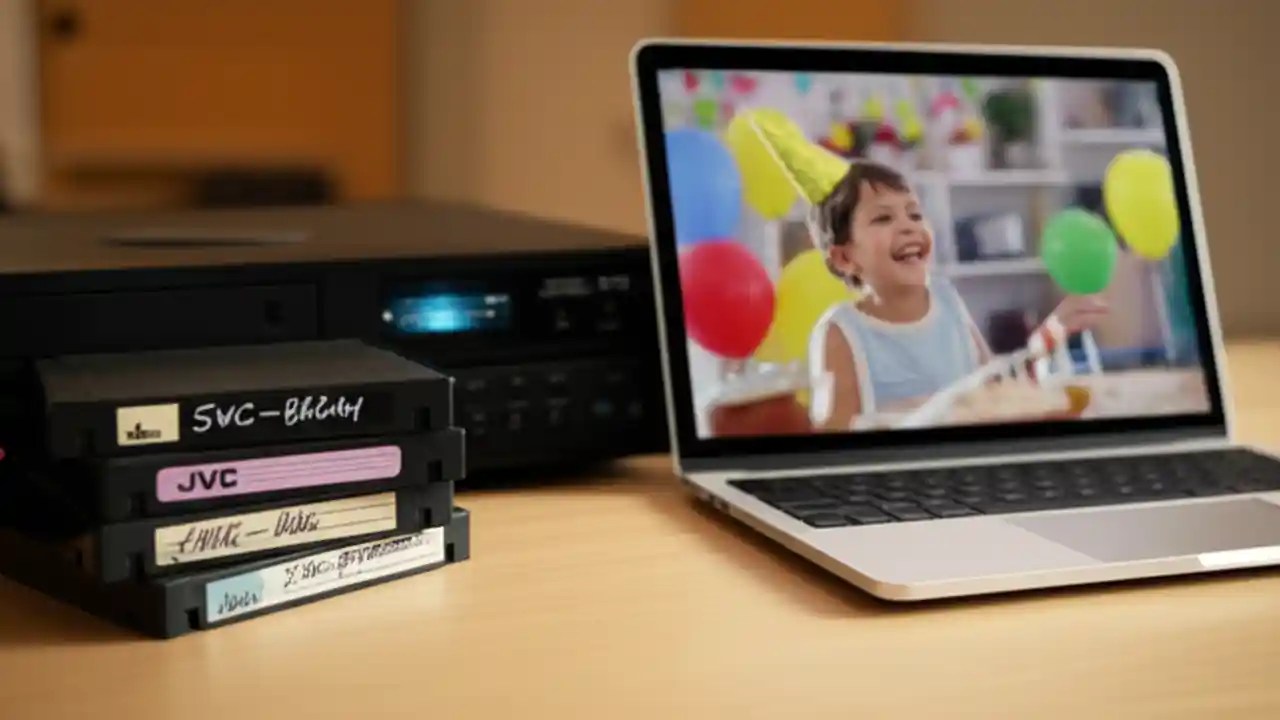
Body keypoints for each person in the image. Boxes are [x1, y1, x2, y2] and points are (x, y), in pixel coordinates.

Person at [807, 161, 1108, 430]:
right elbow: (832, 438)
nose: (908, 227)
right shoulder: (839, 332)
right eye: (883, 219)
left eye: (914, 214)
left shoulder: (946, 298)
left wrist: (1043, 341)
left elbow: (991, 389)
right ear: (845, 258)